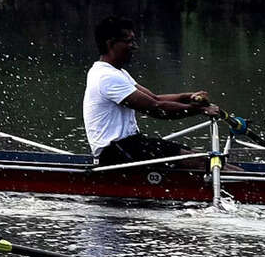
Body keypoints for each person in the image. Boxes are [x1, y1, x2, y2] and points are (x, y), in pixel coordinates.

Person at [83, 16, 222, 168]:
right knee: (203, 162)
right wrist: (200, 110)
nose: (134, 46)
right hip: (115, 153)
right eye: (128, 41)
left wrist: (188, 97)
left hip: (131, 145)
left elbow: (154, 97)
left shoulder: (117, 72)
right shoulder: (106, 76)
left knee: (203, 158)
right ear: (110, 44)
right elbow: (156, 108)